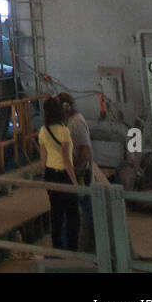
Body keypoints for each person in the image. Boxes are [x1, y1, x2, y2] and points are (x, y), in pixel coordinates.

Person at [38, 96, 79, 252]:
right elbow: (67, 160)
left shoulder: (43, 131)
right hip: (64, 175)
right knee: (72, 216)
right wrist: (75, 183)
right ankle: (72, 250)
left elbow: (43, 158)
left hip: (50, 174)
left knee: (56, 214)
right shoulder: (64, 131)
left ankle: (56, 251)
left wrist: (44, 176)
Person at [60, 92, 94, 250]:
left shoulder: (76, 123)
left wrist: (74, 172)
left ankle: (71, 250)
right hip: (77, 175)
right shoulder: (71, 122)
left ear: (65, 107)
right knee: (83, 211)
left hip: (79, 176)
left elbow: (85, 151)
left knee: (80, 212)